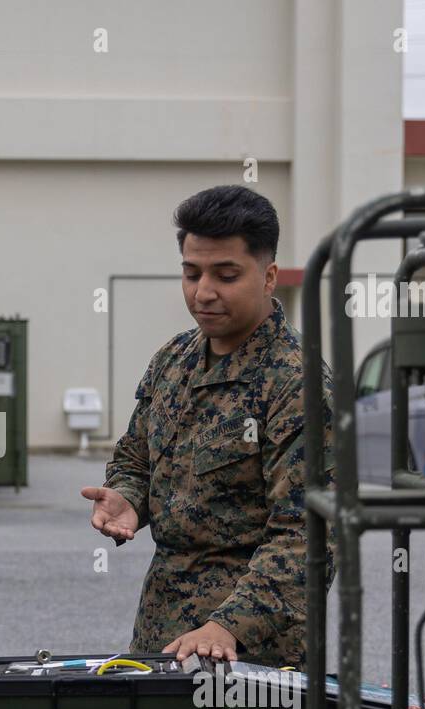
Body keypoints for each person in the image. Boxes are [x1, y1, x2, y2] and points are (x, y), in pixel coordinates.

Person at [83, 185, 335, 667]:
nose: (203, 292)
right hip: (163, 627)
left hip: (256, 648)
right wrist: (129, 498)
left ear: (269, 277)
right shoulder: (174, 360)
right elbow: (136, 454)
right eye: (191, 272)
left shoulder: (295, 383)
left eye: (226, 275)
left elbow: (307, 536)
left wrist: (228, 626)